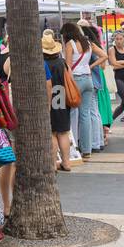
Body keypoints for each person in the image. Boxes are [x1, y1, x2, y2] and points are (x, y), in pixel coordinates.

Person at [62, 22, 103, 156]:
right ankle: (87, 149)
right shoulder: (87, 43)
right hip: (88, 79)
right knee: (85, 115)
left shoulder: (70, 44)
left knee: (73, 114)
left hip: (76, 80)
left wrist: (67, 83)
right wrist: (90, 67)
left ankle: (74, 147)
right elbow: (104, 56)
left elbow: (68, 66)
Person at [42, 30, 73, 171]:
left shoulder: (42, 64)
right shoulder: (62, 62)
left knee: (52, 132)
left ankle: (53, 164)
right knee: (64, 131)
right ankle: (66, 162)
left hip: (50, 98)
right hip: (62, 97)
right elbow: (70, 78)